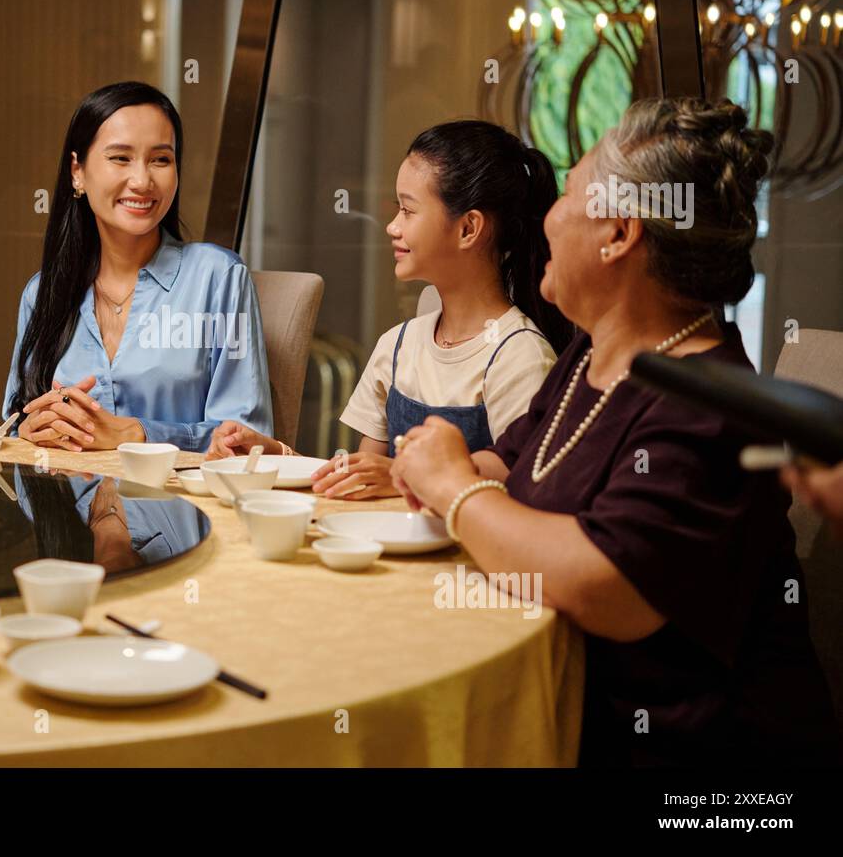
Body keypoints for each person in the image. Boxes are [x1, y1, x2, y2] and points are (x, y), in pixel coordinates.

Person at [391, 97, 840, 766]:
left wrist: (455, 490)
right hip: (566, 708)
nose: (548, 215)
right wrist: (440, 460)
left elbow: (609, 586)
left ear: (617, 234)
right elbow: (512, 465)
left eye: (569, 191)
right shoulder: (590, 354)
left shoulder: (709, 404)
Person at [208, 120, 571, 500]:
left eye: (408, 211)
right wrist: (272, 454)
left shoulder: (519, 355)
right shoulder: (398, 344)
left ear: (468, 229)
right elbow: (360, 481)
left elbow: (520, 495)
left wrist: (400, 476)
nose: (392, 226)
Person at [3, 81, 272, 453]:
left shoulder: (218, 277)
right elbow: (13, 428)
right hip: (69, 505)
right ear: (77, 171)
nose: (142, 181)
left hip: (182, 507)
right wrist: (33, 427)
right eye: (120, 158)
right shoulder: (43, 292)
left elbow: (244, 439)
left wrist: (138, 434)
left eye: (161, 159)